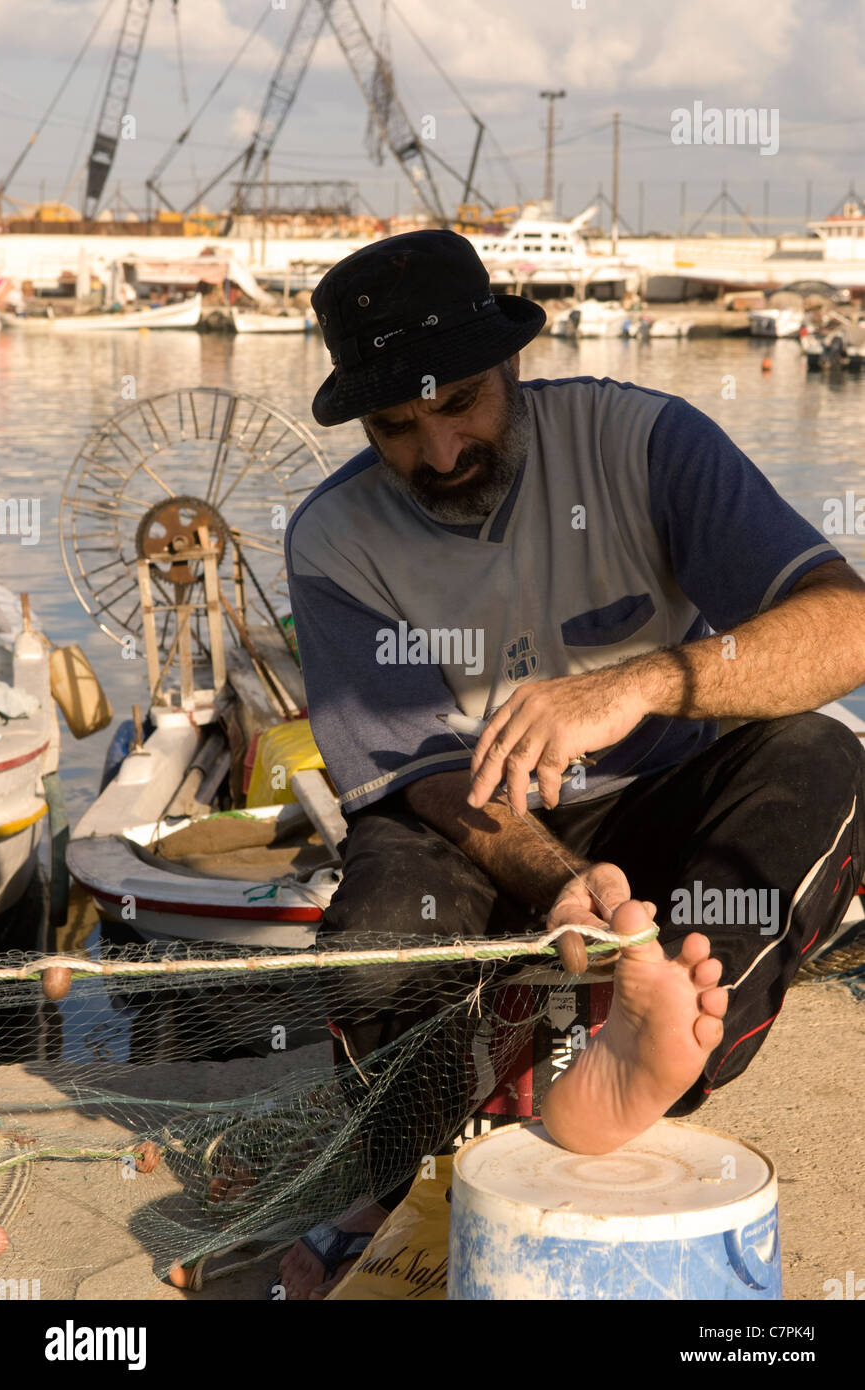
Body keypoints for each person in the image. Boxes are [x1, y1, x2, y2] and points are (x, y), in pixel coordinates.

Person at [277, 228, 865, 1298]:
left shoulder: (642, 440)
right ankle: (396, 1165)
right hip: (475, 821)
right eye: (398, 426)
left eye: (460, 403)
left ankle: (644, 1059)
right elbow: (426, 776)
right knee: (375, 942)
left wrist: (642, 681)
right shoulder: (331, 540)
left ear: (513, 365)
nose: (440, 450)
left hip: (660, 791)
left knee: (822, 756)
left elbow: (844, 626)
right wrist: (556, 880)